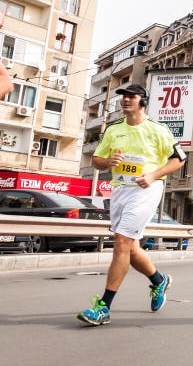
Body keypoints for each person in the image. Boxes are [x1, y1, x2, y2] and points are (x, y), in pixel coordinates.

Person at [77, 84, 186, 326]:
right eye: (123, 97)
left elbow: (179, 159)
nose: (126, 100)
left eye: (131, 97)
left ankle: (103, 307)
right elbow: (96, 161)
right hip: (120, 190)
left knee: (122, 242)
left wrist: (153, 175)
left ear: (143, 101)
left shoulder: (158, 130)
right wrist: (108, 161)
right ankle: (159, 280)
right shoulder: (114, 130)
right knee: (131, 247)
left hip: (146, 189)